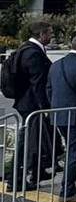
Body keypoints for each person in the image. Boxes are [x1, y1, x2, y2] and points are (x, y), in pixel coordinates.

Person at [45, 35, 76, 200]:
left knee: (70, 150)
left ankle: (70, 187)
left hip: (58, 115)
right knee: (75, 153)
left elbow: (49, 89)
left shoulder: (56, 65)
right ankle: (66, 191)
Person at [12, 21, 55, 188]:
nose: (51, 37)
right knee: (28, 142)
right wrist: (44, 106)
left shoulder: (29, 49)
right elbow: (37, 82)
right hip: (31, 105)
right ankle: (15, 179)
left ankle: (38, 170)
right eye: (49, 33)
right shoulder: (32, 53)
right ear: (41, 35)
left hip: (29, 103)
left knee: (40, 139)